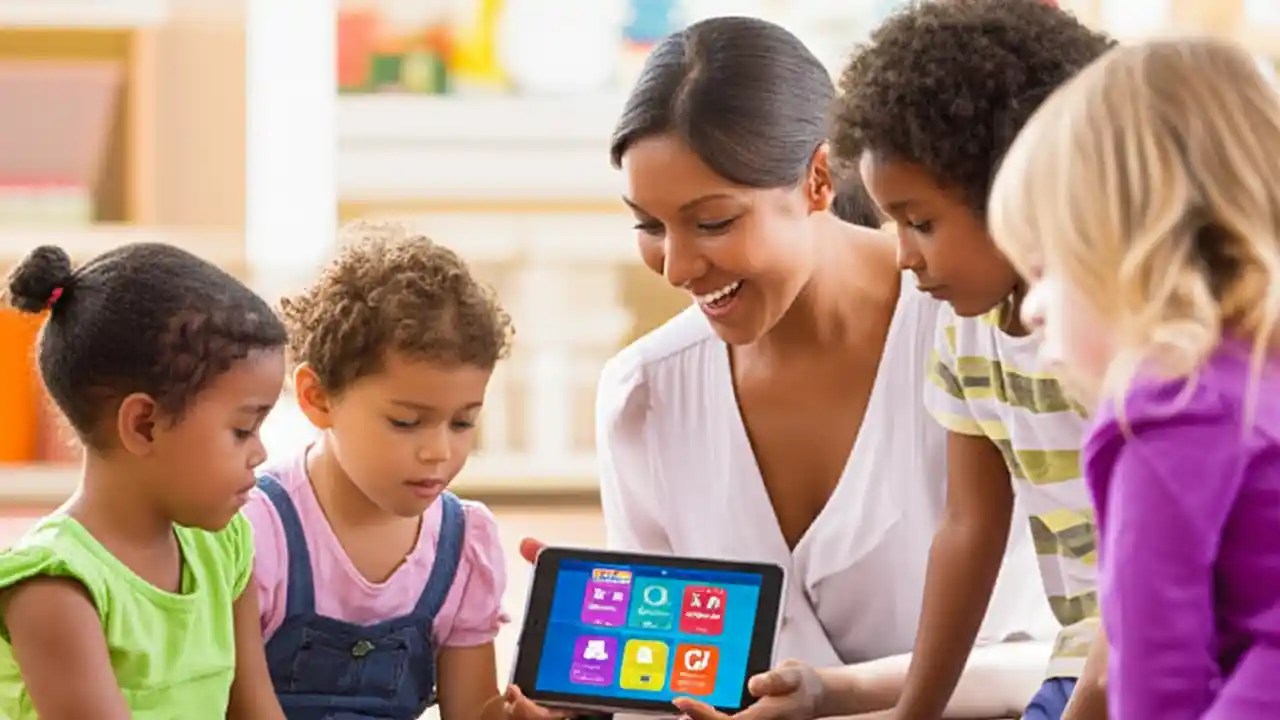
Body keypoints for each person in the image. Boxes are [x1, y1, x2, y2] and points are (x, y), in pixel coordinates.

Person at [525, 15, 1056, 720]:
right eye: (650, 226)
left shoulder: (980, 335)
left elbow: (1060, 655)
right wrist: (588, 699)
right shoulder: (643, 393)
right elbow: (660, 694)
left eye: (712, 222)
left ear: (815, 179)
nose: (677, 268)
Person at [827, 2, 1116, 718]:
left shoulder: (1116, 334)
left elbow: (1158, 575)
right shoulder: (965, 334)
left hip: (1177, 653)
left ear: (1022, 190)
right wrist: (911, 711)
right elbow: (968, 528)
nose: (902, 256)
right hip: (1083, 661)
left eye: (921, 223)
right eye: (893, 223)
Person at [989, 37, 1280, 719]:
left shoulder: (1168, 413)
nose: (1029, 309)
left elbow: (1155, 676)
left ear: (1130, 249)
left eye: (1043, 270)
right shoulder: (1258, 379)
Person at [240, 222, 555, 719]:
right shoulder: (257, 531)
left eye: (463, 422)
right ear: (317, 398)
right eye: (406, 422)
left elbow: (471, 711)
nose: (438, 451)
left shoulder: (463, 544)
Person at [0, 243, 288, 719]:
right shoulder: (56, 589)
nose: (259, 452)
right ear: (144, 425)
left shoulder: (223, 548)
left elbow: (255, 709)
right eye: (242, 430)